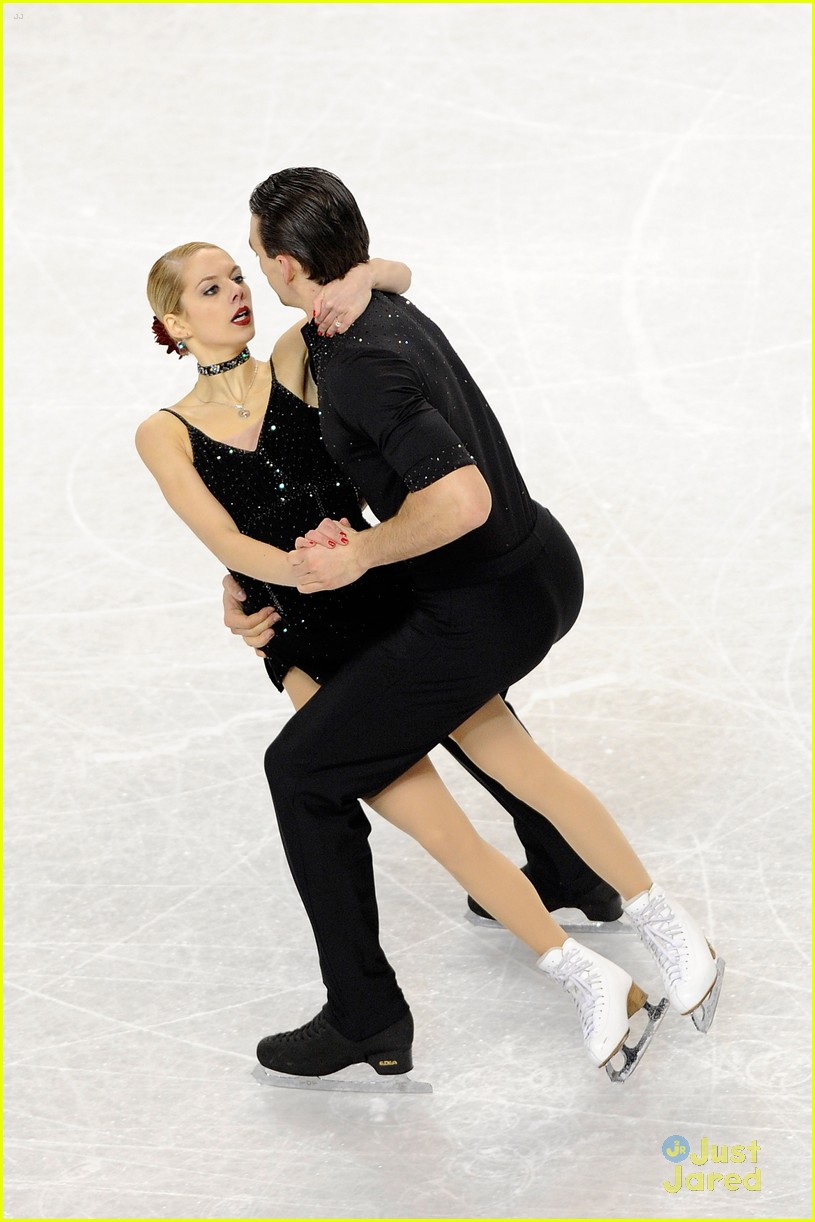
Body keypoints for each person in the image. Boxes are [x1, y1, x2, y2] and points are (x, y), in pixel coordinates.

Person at [136, 229, 721, 1086]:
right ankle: (589, 975)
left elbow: (393, 282)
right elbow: (224, 540)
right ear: (172, 320)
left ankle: (659, 926)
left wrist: (365, 273)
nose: (235, 292)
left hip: (395, 605)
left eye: (237, 275)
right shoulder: (164, 432)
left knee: (522, 766)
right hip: (308, 647)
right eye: (209, 288)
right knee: (438, 827)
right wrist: (288, 575)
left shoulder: (300, 355)